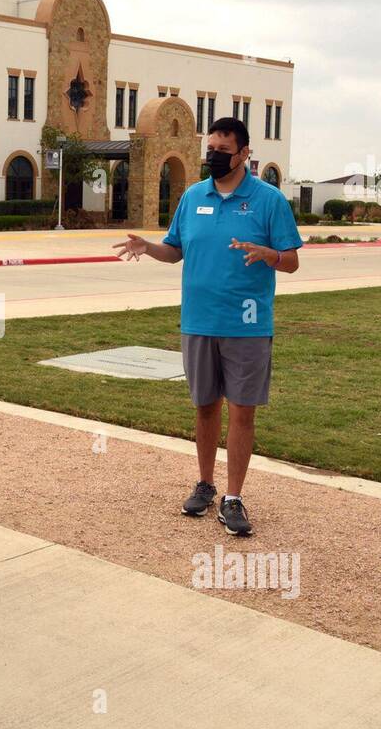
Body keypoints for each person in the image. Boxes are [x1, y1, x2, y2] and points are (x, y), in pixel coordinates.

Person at [113, 116, 302, 537]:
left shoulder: (269, 201)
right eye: (210, 150)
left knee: (242, 411)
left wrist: (268, 254)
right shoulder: (192, 196)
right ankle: (205, 484)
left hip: (247, 326)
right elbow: (175, 250)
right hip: (198, 321)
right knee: (204, 407)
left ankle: (233, 498)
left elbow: (291, 261)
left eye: (222, 150)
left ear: (244, 154)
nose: (214, 157)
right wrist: (149, 247)